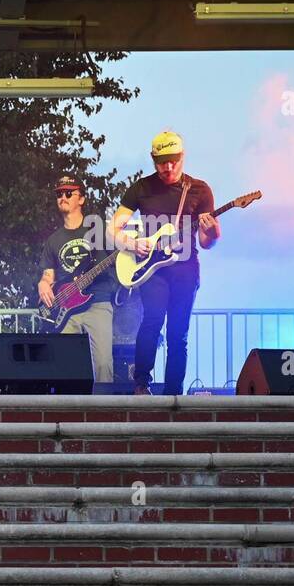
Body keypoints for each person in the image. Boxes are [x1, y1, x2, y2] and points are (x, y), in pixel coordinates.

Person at [111, 131, 220, 395]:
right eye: (162, 162)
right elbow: (113, 229)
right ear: (153, 159)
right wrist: (132, 243)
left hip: (185, 268)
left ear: (182, 157)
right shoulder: (141, 188)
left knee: (178, 333)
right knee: (152, 321)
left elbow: (207, 243)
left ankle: (174, 393)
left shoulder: (200, 190)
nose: (168, 167)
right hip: (153, 268)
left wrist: (214, 231)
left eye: (173, 161)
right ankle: (141, 384)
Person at [37, 175, 117, 383]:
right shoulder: (53, 240)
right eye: (59, 194)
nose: (63, 197)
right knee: (62, 365)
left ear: (81, 199)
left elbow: (114, 258)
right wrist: (43, 284)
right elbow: (48, 275)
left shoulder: (97, 230)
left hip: (97, 301)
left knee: (102, 364)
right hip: (66, 310)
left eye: (68, 193)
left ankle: (104, 411)